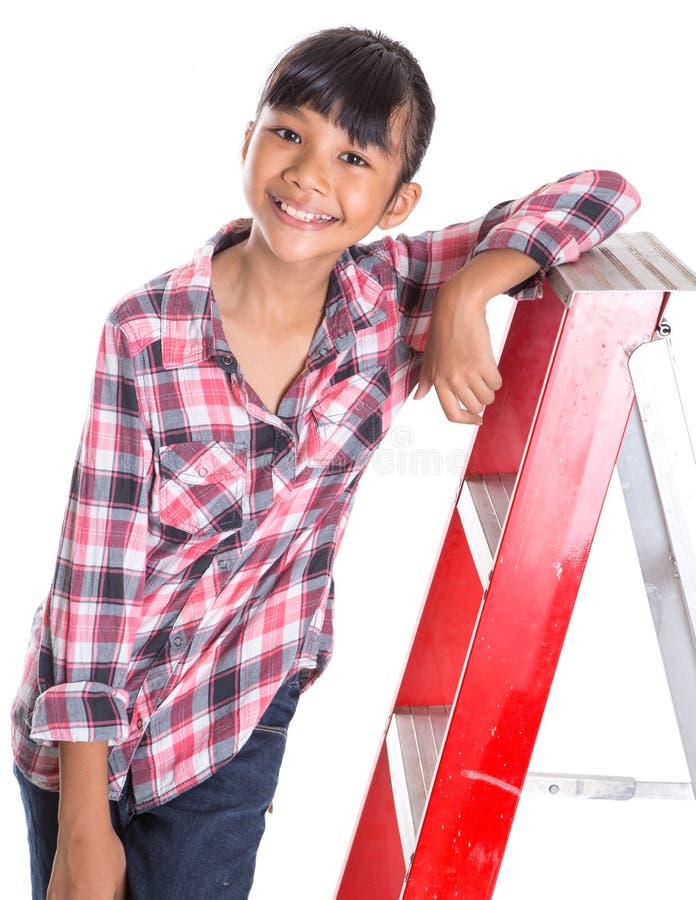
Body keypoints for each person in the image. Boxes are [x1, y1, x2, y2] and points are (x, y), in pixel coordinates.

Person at [10, 24, 640, 900]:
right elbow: (93, 581)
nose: (310, 175)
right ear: (248, 142)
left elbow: (603, 192)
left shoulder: (390, 301)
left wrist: (470, 288)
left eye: (354, 157)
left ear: (396, 203)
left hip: (237, 706)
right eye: (291, 133)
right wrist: (83, 826)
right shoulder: (145, 333)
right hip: (89, 726)